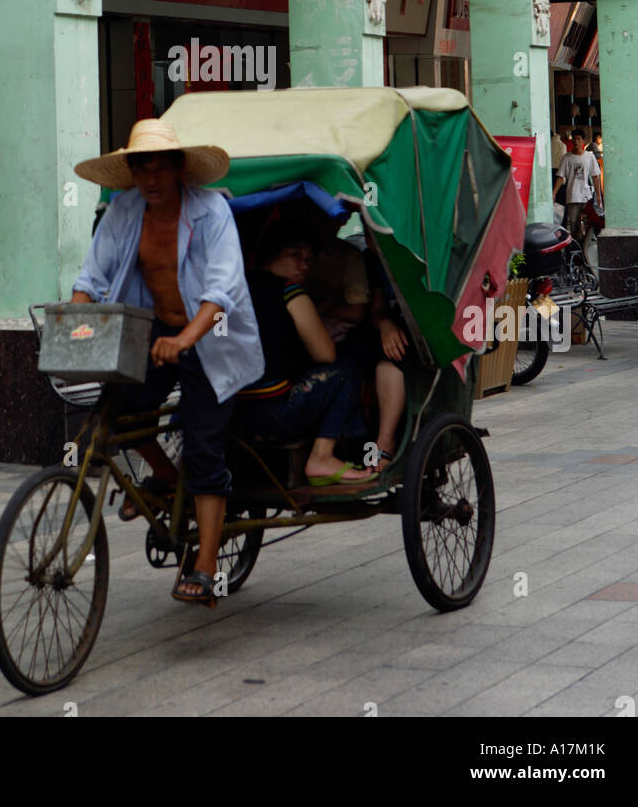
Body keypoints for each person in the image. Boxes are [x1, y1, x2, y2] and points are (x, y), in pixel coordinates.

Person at [72, 119, 263, 608]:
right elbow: (92, 278)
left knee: (204, 445)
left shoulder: (211, 211)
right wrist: (76, 322)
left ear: (179, 169)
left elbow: (222, 289)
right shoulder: (124, 210)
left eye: (160, 167)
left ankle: (205, 567)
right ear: (132, 173)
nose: (151, 178)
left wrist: (185, 339)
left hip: (212, 335)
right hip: (155, 330)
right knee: (117, 411)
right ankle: (165, 477)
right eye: (141, 168)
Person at [238, 224, 378, 487]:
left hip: (236, 416)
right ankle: (322, 456)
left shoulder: (236, 290)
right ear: (272, 255)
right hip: (277, 414)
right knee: (348, 370)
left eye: (309, 259)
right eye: (295, 256)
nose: (304, 265)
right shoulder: (290, 292)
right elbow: (325, 354)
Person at [307, 236, 408, 479]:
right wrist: (384, 323)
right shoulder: (372, 260)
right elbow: (376, 310)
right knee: (348, 354)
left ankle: (384, 444)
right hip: (384, 326)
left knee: (389, 355)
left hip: (420, 332)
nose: (372, 241)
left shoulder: (414, 256)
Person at [553, 131, 602, 241]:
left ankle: (588, 249)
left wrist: (598, 196)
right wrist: (554, 193)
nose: (576, 141)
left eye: (579, 139)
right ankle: (577, 250)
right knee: (574, 226)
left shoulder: (589, 156)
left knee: (590, 225)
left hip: (587, 197)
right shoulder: (566, 158)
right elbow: (560, 177)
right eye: (574, 139)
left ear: (583, 141)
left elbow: (595, 176)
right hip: (572, 196)